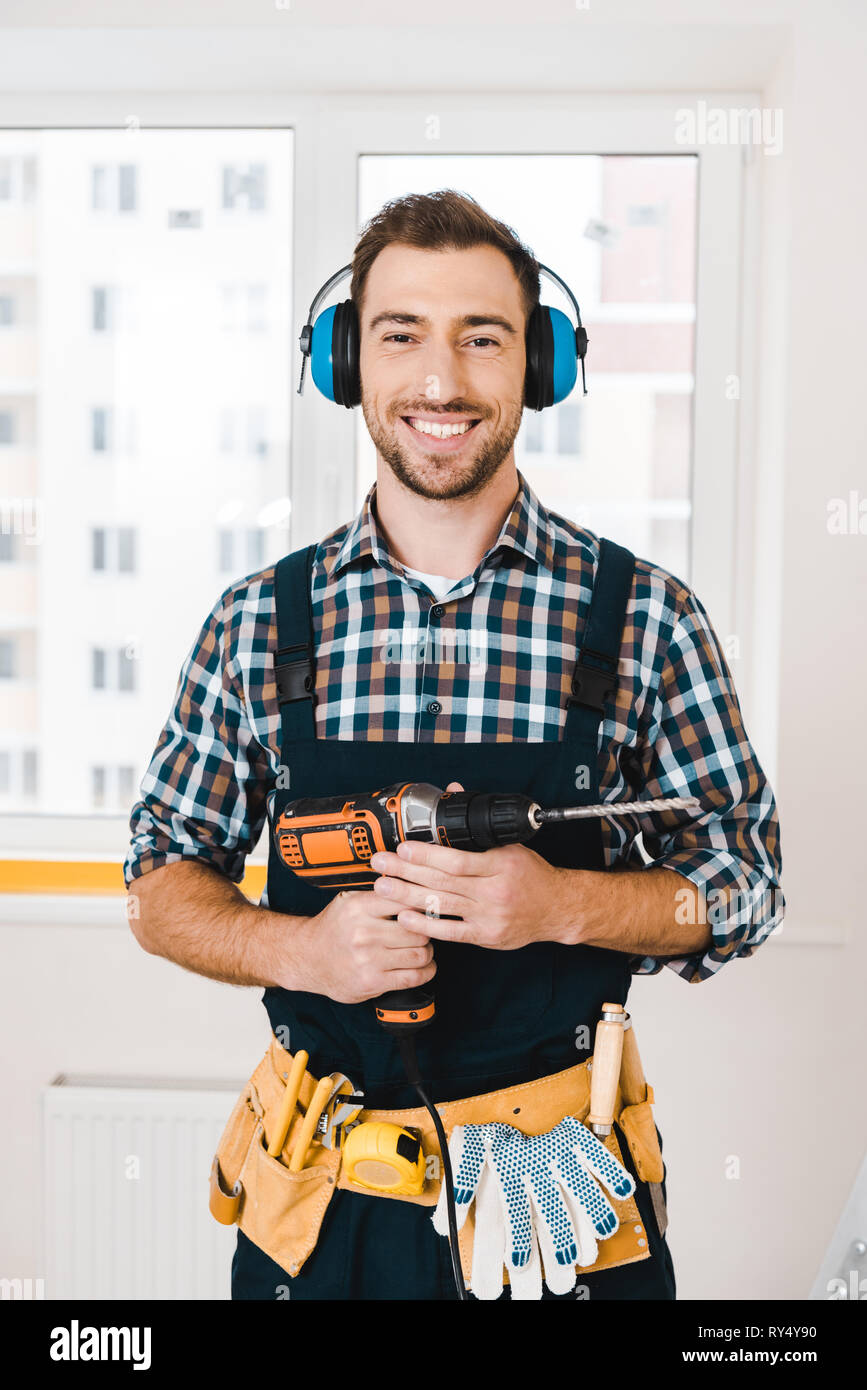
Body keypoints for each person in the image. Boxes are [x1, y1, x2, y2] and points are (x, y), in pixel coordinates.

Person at [124, 189, 784, 1301]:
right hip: (319, 1207)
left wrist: (562, 904)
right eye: (401, 336)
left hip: (559, 1207)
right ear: (346, 362)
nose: (441, 381)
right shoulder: (257, 623)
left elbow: (748, 886)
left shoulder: (644, 619)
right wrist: (301, 951)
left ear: (540, 366)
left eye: (483, 337)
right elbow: (156, 884)